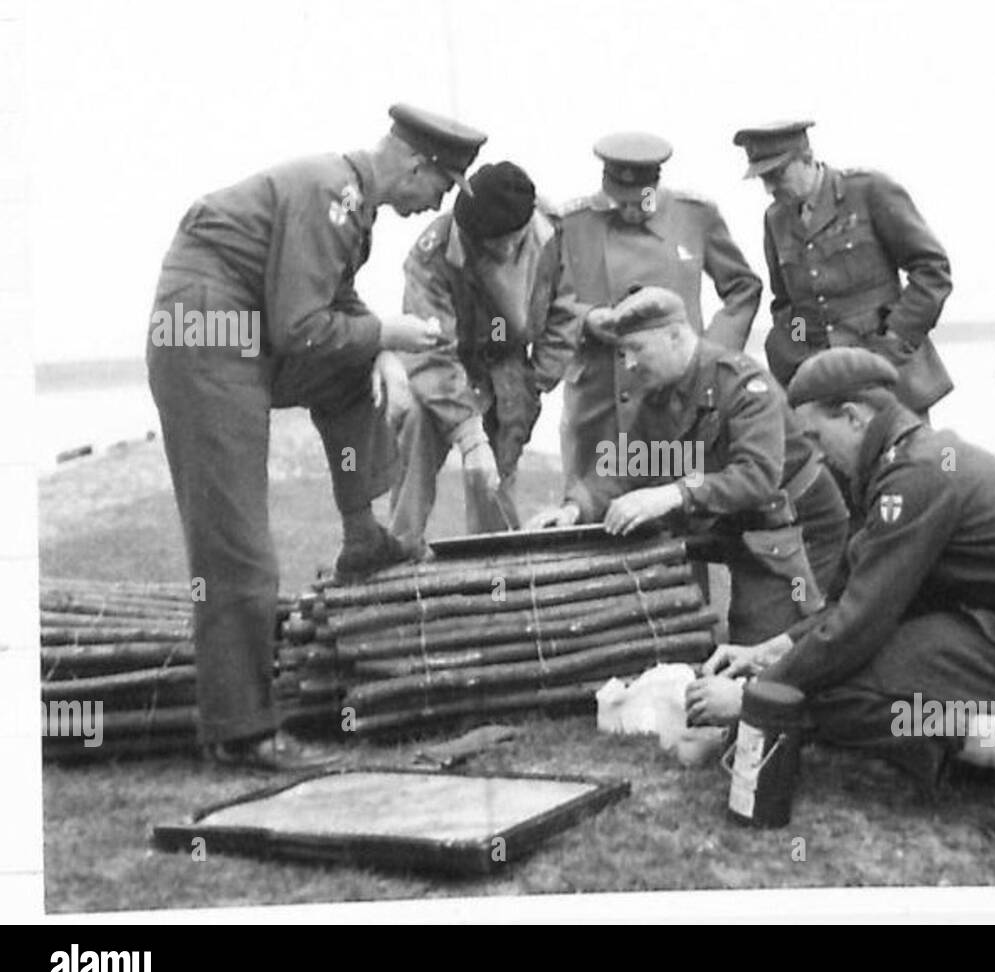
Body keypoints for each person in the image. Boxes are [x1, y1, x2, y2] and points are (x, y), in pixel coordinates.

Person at [146, 104, 486, 769]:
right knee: (236, 539)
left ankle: (363, 537)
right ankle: (241, 732)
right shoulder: (334, 194)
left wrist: (380, 351)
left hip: (241, 329)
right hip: (207, 335)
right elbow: (302, 326)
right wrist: (387, 334)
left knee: (350, 370)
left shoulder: (349, 206)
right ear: (418, 166)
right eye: (441, 188)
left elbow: (338, 308)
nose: (433, 205)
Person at [687, 348, 995, 845]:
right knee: (870, 663)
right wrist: (768, 651)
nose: (816, 453)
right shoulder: (905, 460)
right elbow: (855, 600)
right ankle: (987, 749)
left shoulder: (916, 474)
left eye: (816, 436)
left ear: (853, 417)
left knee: (849, 689)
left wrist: (754, 698)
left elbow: (856, 628)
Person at [529, 287, 848, 646]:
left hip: (796, 527)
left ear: (675, 336)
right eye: (623, 353)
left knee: (769, 642)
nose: (629, 364)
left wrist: (673, 494)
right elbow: (625, 467)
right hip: (741, 526)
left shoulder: (740, 383)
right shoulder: (656, 393)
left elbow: (757, 476)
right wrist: (574, 508)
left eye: (636, 350)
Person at [558, 132, 762, 495]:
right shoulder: (573, 223)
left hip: (674, 397)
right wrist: (586, 320)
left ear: (655, 185)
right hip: (597, 400)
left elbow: (743, 288)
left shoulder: (695, 216)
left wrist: (707, 357)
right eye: (619, 203)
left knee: (675, 504)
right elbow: (544, 306)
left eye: (639, 203)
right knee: (588, 507)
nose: (629, 211)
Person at [388, 161, 582, 543]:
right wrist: (468, 433)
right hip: (447, 366)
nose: (508, 249)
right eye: (496, 244)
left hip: (509, 368)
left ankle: (493, 574)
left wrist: (537, 379)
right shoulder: (433, 255)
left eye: (514, 238)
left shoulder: (552, 232)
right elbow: (431, 349)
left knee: (494, 477)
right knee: (417, 431)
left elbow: (568, 309)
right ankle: (399, 551)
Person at [731, 120, 953, 416]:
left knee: (907, 460)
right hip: (825, 389)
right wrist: (798, 351)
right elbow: (787, 305)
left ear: (807, 158)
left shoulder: (869, 191)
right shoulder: (776, 219)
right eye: (763, 179)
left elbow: (931, 269)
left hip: (891, 378)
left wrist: (897, 338)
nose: (770, 188)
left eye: (777, 175)